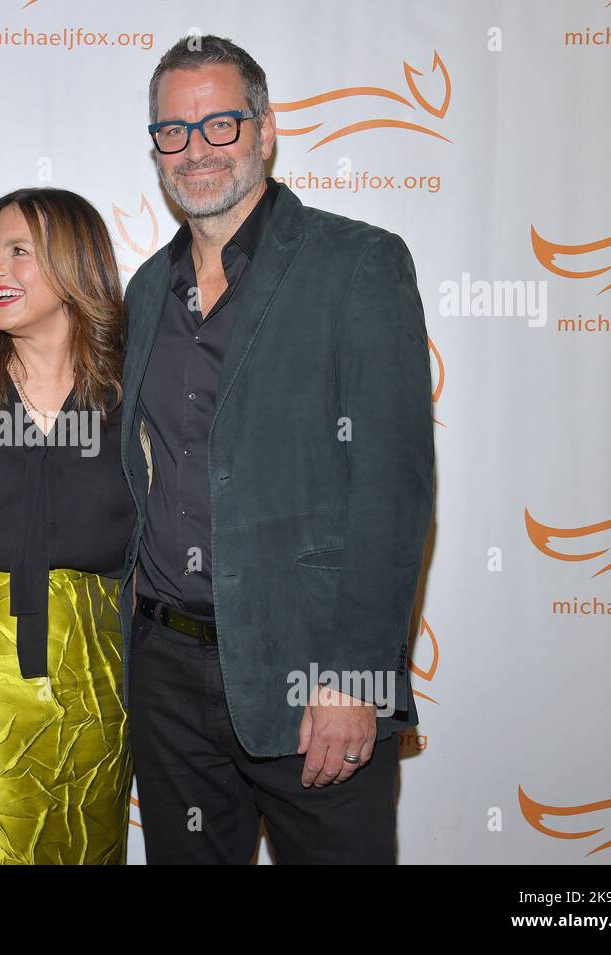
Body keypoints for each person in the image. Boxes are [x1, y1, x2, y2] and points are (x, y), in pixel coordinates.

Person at [120, 35, 435, 864]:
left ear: (266, 131)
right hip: (167, 679)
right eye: (173, 132)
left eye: (220, 124)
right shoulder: (147, 289)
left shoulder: (358, 264)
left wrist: (355, 678)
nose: (196, 150)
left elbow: (391, 490)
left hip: (312, 680)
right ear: (155, 148)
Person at [0, 188, 136, 864]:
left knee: (87, 840)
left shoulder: (131, 390)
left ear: (75, 264)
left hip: (100, 668)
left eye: (18, 252)